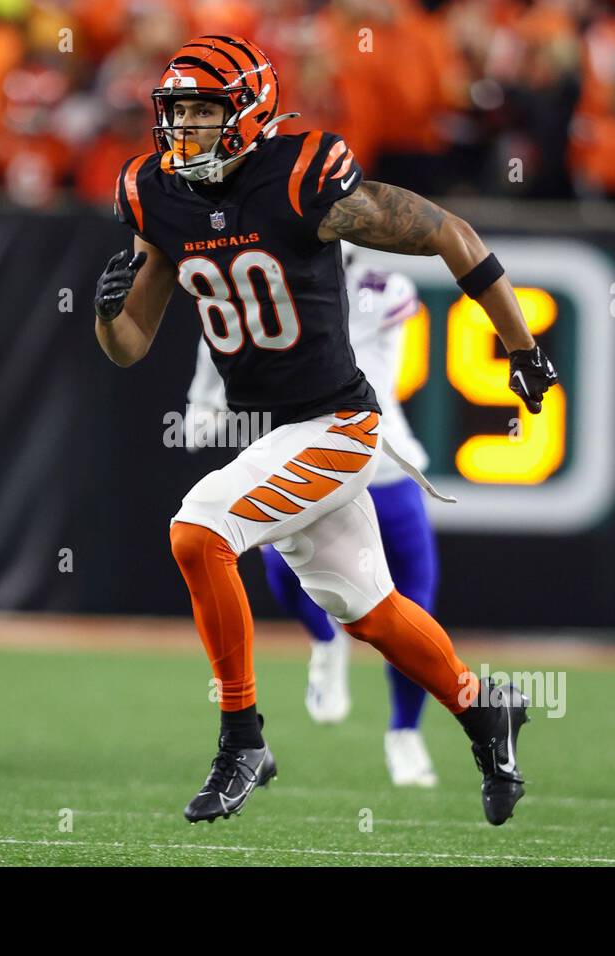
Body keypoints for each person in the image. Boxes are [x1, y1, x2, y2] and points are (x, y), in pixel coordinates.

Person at [93, 35, 557, 826]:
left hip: (337, 424)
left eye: (205, 112)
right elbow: (130, 347)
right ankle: (485, 710)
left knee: (197, 531)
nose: (187, 131)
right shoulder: (155, 193)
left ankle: (243, 738)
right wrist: (107, 312)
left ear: (250, 111)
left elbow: (449, 232)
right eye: (178, 114)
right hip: (271, 434)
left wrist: (523, 347)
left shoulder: (303, 178)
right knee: (368, 609)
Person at [184, 241, 441, 787]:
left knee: (411, 601)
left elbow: (372, 369)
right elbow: (222, 329)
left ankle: (405, 733)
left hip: (375, 452)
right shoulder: (271, 282)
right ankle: (326, 644)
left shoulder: (378, 289)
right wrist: (202, 399)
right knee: (283, 571)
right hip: (315, 452)